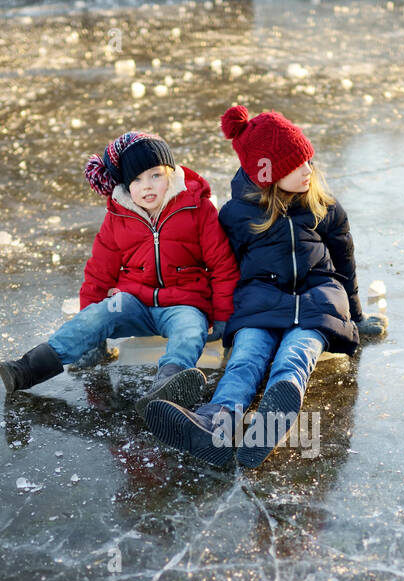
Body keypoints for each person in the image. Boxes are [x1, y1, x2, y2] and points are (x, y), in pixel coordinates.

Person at [145, 105, 366, 467]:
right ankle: (213, 422)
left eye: (308, 161)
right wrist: (216, 315)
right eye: (297, 165)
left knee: (294, 357)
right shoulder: (236, 215)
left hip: (317, 303)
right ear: (268, 173)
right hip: (259, 303)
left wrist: (355, 315)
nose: (308, 170)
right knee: (245, 359)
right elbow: (220, 266)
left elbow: (344, 261)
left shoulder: (323, 206)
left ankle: (275, 414)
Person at [0, 131, 239, 415]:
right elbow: (99, 272)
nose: (146, 186)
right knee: (102, 313)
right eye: (136, 180)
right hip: (133, 302)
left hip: (184, 302)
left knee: (189, 330)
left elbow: (222, 265)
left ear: (171, 174)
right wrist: (94, 333)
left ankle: (168, 383)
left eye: (155, 176)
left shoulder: (197, 208)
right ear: (125, 184)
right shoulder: (118, 216)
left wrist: (223, 317)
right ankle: (28, 369)